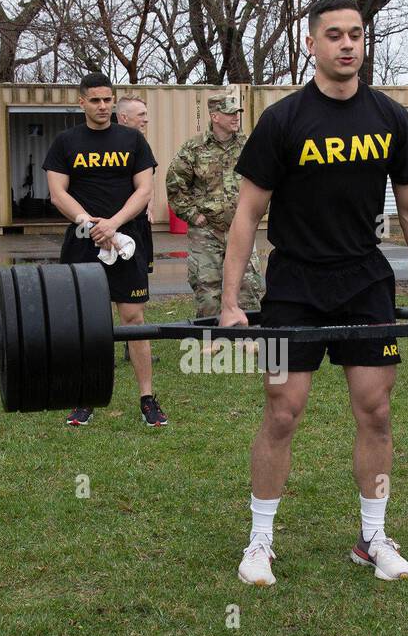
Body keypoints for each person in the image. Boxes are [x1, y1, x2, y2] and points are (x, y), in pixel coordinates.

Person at [219, 0, 408, 586]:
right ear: (312, 45)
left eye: (357, 35)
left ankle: (372, 537)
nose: (348, 45)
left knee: (376, 410)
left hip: (366, 282)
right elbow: (246, 214)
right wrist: (230, 302)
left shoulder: (391, 118)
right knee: (282, 411)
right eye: (335, 35)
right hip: (291, 286)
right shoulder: (283, 120)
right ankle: (260, 540)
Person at [43, 73, 167, 427]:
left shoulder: (132, 141)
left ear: (114, 102)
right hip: (83, 243)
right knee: (85, 323)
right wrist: (90, 223)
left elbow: (143, 190)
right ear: (80, 101)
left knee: (134, 320)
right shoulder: (66, 142)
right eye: (95, 100)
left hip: (127, 239)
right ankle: (84, 398)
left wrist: (112, 224)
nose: (102, 106)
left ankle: (147, 398)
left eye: (107, 100)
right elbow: (58, 193)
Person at [166, 93, 264, 318]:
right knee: (207, 288)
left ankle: (248, 341)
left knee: (249, 287)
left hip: (241, 228)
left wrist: (257, 213)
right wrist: (192, 214)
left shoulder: (248, 145)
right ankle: (212, 342)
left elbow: (265, 180)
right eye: (230, 113)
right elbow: (175, 184)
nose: (235, 118)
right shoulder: (194, 148)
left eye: (237, 113)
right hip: (206, 232)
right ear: (215, 116)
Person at [113, 95, 154, 275]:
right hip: (114, 221)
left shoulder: (141, 143)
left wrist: (149, 207)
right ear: (124, 117)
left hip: (139, 222)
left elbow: (149, 182)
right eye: (141, 114)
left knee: (138, 273)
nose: (146, 119)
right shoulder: (109, 144)